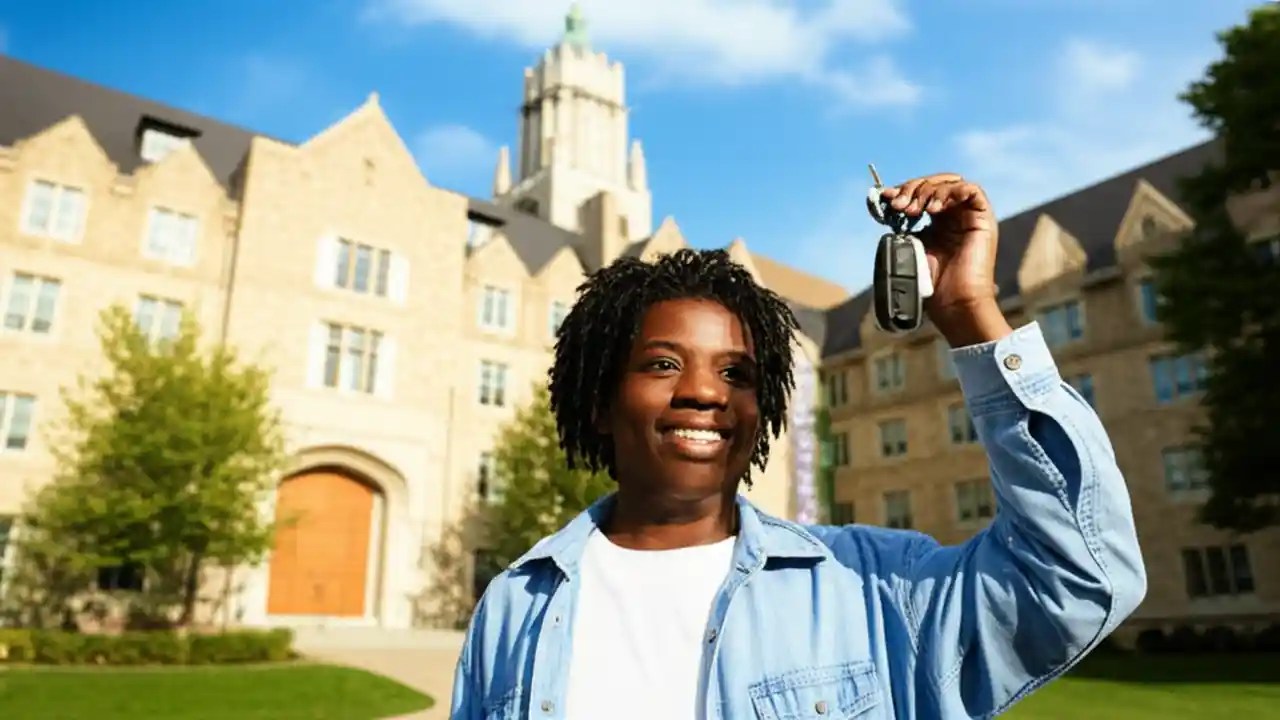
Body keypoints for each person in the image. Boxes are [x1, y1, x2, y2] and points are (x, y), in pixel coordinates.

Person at [449, 173, 1146, 719]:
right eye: (664, 364)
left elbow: (1083, 576)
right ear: (598, 402)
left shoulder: (878, 588)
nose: (706, 392)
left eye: (737, 373)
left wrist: (971, 315)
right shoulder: (516, 603)